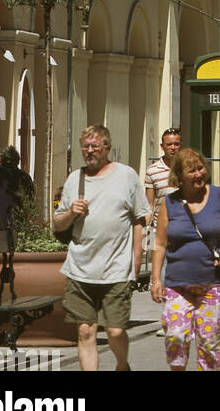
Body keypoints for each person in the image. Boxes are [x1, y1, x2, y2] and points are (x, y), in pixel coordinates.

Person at [52, 124, 149, 372]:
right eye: (86, 146)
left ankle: (121, 365)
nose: (90, 151)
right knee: (85, 331)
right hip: (80, 268)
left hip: (116, 268)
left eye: (95, 146)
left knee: (116, 330)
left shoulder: (126, 176)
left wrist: (136, 260)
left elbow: (140, 220)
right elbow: (58, 223)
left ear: (107, 147)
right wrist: (71, 213)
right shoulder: (76, 178)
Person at [151, 147, 220, 371]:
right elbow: (159, 243)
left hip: (211, 285)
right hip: (177, 285)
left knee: (209, 345)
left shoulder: (219, 196)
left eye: (200, 169)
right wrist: (155, 279)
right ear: (179, 176)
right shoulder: (169, 203)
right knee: (176, 337)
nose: (198, 174)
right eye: (191, 171)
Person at [144, 127, 181, 334]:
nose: (173, 148)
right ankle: (168, 319)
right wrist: (146, 231)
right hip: (162, 230)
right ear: (162, 146)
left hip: (184, 229)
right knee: (165, 273)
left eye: (176, 144)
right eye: (169, 144)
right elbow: (149, 204)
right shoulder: (152, 171)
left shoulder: (186, 167)